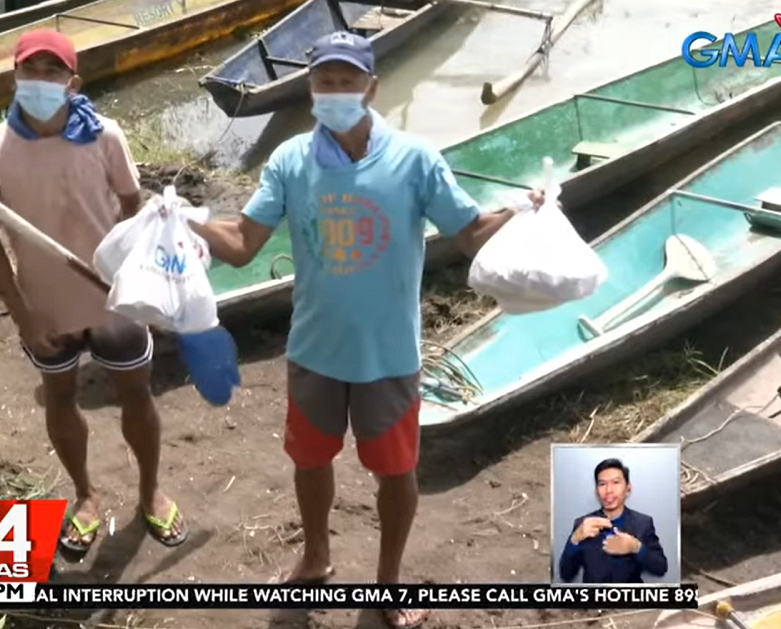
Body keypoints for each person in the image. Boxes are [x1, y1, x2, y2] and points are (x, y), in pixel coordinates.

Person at [187, 31, 547, 629]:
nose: (334, 92)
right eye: (323, 82)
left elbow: (470, 231)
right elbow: (245, 245)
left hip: (389, 354)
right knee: (310, 461)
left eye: (346, 81)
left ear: (371, 88)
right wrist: (188, 220)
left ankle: (387, 584)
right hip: (314, 348)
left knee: (396, 471)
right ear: (310, 89)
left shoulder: (415, 159)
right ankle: (315, 557)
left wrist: (525, 209)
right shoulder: (290, 161)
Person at [0, 29, 188, 553]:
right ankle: (85, 495)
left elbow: (131, 204)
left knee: (136, 393)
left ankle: (150, 492)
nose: (39, 81)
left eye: (51, 72)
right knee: (60, 398)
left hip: (112, 299)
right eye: (28, 71)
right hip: (46, 309)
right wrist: (22, 315)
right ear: (13, 79)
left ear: (72, 81)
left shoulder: (105, 137)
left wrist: (139, 272)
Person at [557, 458, 668, 583]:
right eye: (602, 484)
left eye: (616, 482)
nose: (609, 490)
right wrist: (574, 540)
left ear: (628, 488)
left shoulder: (643, 523)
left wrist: (636, 547)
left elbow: (661, 567)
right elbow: (566, 575)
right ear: (596, 491)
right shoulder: (583, 524)